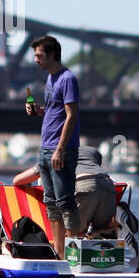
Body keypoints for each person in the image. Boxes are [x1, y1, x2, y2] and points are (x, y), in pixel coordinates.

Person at [26, 34, 80, 258]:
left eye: (39, 55)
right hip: (45, 149)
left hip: (60, 151)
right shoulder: (50, 78)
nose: (36, 59)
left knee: (65, 203)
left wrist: (60, 149)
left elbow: (71, 115)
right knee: (51, 205)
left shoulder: (68, 79)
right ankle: (59, 253)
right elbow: (53, 112)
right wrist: (38, 111)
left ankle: (74, 253)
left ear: (51, 54)